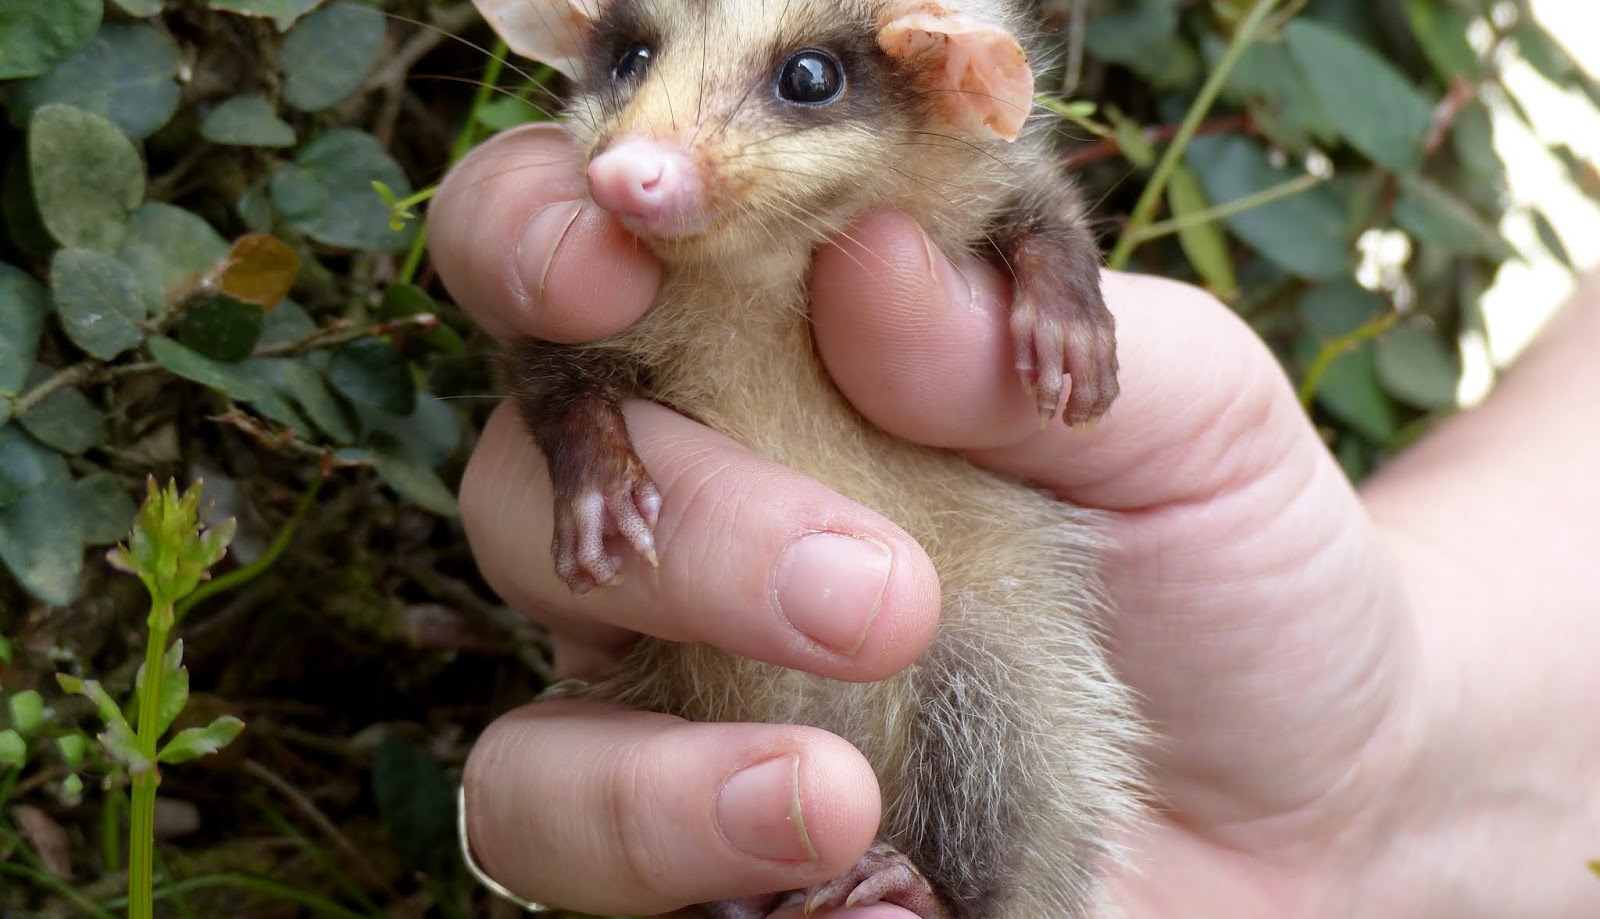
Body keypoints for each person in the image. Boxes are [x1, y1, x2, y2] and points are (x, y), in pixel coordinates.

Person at [429, 122, 1600, 918]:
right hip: (756, 726)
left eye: (800, 83)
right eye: (634, 65)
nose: (648, 149)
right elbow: (564, 363)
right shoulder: (631, 262)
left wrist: (1053, 276)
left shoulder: (932, 195)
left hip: (972, 676)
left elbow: (1022, 199)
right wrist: (586, 449)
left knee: (983, 697)